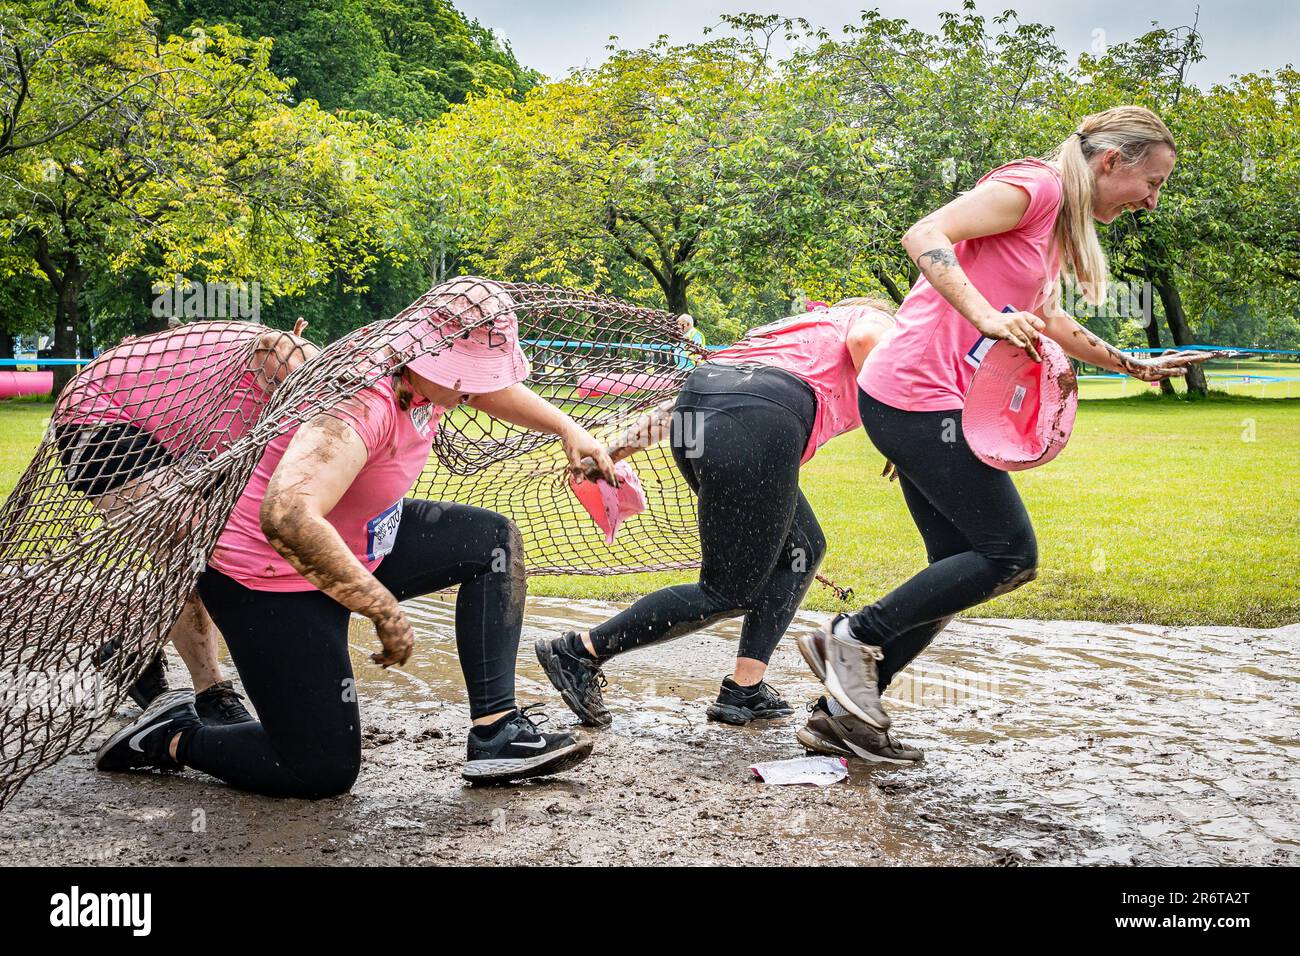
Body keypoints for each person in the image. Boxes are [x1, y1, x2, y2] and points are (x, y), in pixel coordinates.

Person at [96, 278, 619, 795]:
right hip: (272, 574)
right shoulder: (360, 401)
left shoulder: (420, 368)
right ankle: (171, 736)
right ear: (431, 356)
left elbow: (490, 391)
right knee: (319, 769)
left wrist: (568, 429)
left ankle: (497, 731)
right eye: (466, 373)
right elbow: (287, 517)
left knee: (492, 542)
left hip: (357, 541)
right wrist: (379, 606)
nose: (472, 389)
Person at [797, 106, 1219, 736]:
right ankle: (853, 635)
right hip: (915, 394)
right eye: (1151, 182)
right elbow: (924, 233)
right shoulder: (1035, 187)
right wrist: (986, 316)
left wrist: (1131, 364)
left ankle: (845, 715)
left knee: (957, 567)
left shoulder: (1057, 224)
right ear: (1111, 161)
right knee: (1009, 555)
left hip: (930, 403)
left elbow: (1048, 319)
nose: (1151, 201)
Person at [536, 297, 898, 737]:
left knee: (802, 549)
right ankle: (579, 651)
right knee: (729, 590)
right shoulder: (876, 319)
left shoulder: (799, 331)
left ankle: (745, 689)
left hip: (704, 413)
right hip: (755, 424)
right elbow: (865, 339)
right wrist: (895, 427)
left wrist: (613, 451)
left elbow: (699, 399)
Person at [54, 320, 317, 723]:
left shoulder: (289, 400)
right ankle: (210, 691)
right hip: (100, 412)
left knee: (212, 544)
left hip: (160, 424)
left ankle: (130, 654)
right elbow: (274, 347)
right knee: (193, 542)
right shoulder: (283, 366)